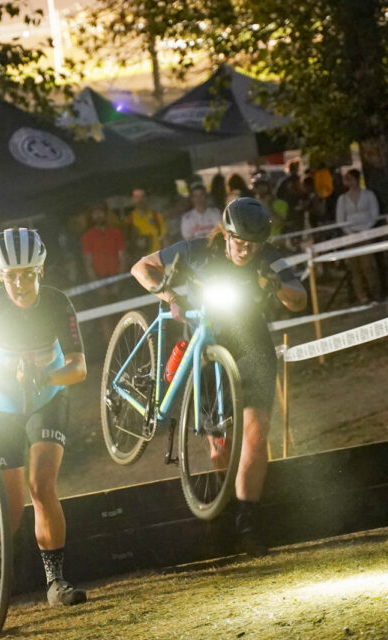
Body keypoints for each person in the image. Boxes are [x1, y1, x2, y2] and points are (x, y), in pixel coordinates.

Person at [130, 198, 307, 554]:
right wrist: (168, 295)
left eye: (252, 245)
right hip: (203, 343)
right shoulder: (198, 250)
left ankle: (248, 520)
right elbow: (141, 267)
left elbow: (298, 297)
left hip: (250, 341)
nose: (245, 250)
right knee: (219, 443)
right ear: (225, 234)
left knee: (255, 436)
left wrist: (275, 285)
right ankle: (223, 514)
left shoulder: (268, 258)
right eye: (239, 242)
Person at [0, 228, 88, 606]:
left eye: (27, 274)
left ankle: (55, 581)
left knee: (41, 485)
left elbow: (80, 368)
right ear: (0, 276)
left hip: (46, 398)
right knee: (10, 507)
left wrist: (48, 377)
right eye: (11, 276)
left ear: (41, 271)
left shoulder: (57, 303)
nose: (20, 283)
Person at [334, 169, 383, 303]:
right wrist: (349, 231)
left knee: (369, 265)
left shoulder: (369, 195)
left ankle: (375, 293)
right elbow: (340, 219)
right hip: (350, 236)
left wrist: (365, 229)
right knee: (355, 267)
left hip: (366, 234)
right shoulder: (342, 199)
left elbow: (374, 213)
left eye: (350, 178)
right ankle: (362, 295)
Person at [80, 203, 126, 282]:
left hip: (118, 277)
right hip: (99, 279)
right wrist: (99, 288)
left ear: (105, 214)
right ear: (91, 216)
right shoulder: (87, 237)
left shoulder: (116, 233)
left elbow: (123, 259)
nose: (98, 215)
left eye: (100, 212)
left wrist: (119, 283)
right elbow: (88, 264)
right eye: (95, 213)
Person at [128, 188, 167, 256]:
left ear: (147, 198)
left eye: (143, 197)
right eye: (137, 197)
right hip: (139, 262)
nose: (140, 200)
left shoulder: (157, 217)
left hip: (157, 260)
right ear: (132, 199)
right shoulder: (129, 220)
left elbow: (164, 239)